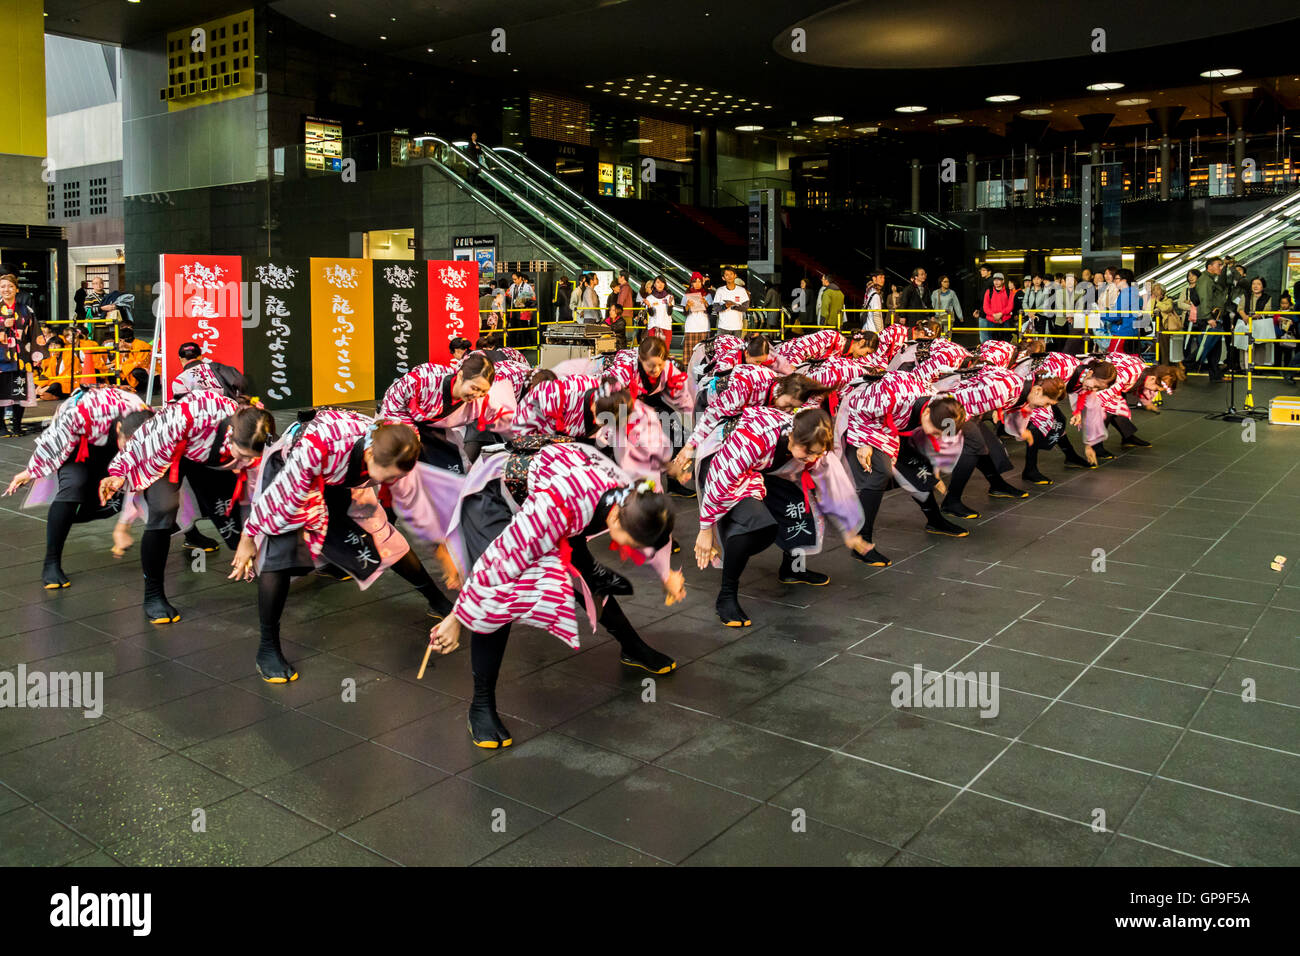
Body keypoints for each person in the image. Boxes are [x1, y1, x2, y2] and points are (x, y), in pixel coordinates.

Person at [427, 442, 681, 747]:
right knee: (497, 598)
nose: (637, 550)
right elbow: (500, 559)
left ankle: (632, 647)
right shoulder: (560, 504)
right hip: (494, 496)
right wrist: (457, 617)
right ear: (614, 520)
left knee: (588, 576)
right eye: (634, 543)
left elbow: (654, 532)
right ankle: (480, 705)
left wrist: (667, 576)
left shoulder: (633, 494)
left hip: (552, 496)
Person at [230, 412, 454, 682]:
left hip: (344, 476)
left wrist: (445, 556)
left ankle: (436, 599)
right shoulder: (316, 447)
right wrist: (248, 537)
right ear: (371, 456)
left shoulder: (401, 443)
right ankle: (267, 648)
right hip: (293, 474)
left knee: (382, 537)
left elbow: (417, 503)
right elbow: (278, 498)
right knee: (281, 549)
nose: (391, 482)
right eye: (388, 476)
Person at [100, 394, 276, 623]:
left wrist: (248, 536)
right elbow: (143, 441)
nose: (246, 460)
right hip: (173, 450)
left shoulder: (262, 441)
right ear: (231, 434)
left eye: (250, 457)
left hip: (215, 459)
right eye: (242, 454)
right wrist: (118, 474)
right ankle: (153, 594)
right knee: (163, 511)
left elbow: (260, 492)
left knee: (240, 525)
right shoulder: (186, 417)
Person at [694, 406, 869, 626]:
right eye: (810, 453)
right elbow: (719, 479)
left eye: (818, 452)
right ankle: (726, 596)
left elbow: (833, 485)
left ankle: (792, 568)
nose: (814, 458)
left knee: (800, 509)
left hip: (765, 468)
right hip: (724, 466)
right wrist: (705, 529)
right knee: (758, 525)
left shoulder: (811, 443)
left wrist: (849, 530)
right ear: (793, 440)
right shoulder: (754, 438)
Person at [4, 385, 152, 587]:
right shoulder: (82, 414)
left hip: (112, 443)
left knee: (120, 495)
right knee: (74, 486)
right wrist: (30, 471)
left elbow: (141, 477)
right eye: (128, 447)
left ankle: (189, 531)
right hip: (78, 442)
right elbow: (54, 441)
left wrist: (122, 527)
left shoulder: (149, 418)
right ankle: (52, 562)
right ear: (119, 431)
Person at [838, 372, 970, 566]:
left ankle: (934, 519)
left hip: (892, 424)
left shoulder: (942, 403)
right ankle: (862, 544)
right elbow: (858, 408)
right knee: (878, 472)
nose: (934, 434)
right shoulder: (894, 395)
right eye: (934, 430)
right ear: (926, 414)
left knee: (918, 467)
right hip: (861, 417)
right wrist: (864, 442)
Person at [0, 273, 39, 436]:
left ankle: (16, 426)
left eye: (10, 286)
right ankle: (1, 427)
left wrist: (37, 355)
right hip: (1, 356)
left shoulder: (26, 310)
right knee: (1, 393)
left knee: (19, 391)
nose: (6, 289)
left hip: (22, 356)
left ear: (16, 289)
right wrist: (2, 326)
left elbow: (35, 333)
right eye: (2, 286)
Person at [681, 272, 711, 360]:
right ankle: (689, 373)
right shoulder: (686, 295)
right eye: (695, 281)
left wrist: (706, 303)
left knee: (703, 354)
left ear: (702, 282)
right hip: (691, 326)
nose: (697, 284)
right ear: (691, 283)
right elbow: (684, 313)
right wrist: (687, 306)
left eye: (699, 281)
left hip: (704, 326)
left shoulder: (707, 294)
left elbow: (710, 311)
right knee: (690, 355)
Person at [980, 273, 1015, 343]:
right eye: (995, 280)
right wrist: (994, 315)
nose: (996, 282)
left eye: (999, 280)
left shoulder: (1009, 292)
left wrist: (1001, 314)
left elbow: (1010, 306)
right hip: (991, 321)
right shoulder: (989, 291)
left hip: (1005, 320)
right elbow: (985, 307)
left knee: (1005, 343)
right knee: (992, 343)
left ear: (1003, 281)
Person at [714, 267, 749, 335]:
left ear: (735, 275)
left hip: (737, 327)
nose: (729, 276)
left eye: (731, 274)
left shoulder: (741, 290)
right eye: (727, 275)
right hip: (723, 327)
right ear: (723, 278)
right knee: (722, 345)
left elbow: (745, 307)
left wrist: (734, 306)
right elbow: (716, 308)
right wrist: (725, 306)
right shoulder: (720, 291)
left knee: (736, 345)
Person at [644, 274, 674, 348]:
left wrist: (670, 304)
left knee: (665, 350)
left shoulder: (669, 297)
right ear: (654, 284)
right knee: (653, 350)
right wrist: (649, 306)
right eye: (658, 282)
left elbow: (669, 313)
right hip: (653, 327)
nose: (660, 284)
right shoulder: (649, 298)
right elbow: (651, 314)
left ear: (664, 284)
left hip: (666, 327)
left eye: (662, 282)